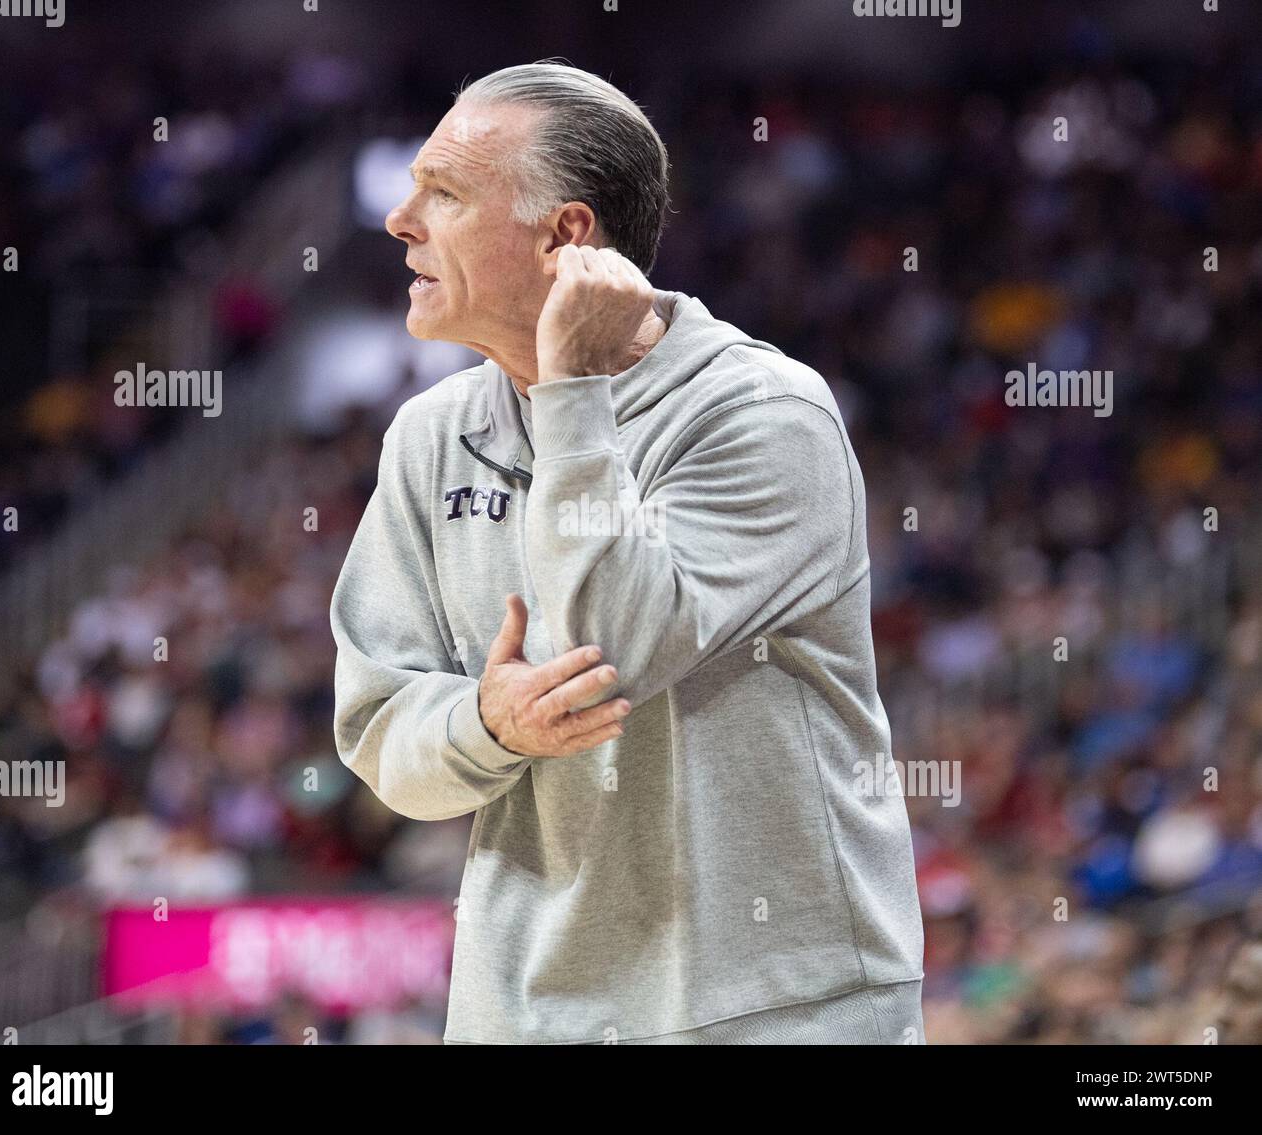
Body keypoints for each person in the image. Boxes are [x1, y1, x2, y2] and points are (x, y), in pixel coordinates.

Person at [330, 60, 926, 1044]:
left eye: (443, 192)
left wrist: (571, 389)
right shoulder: (428, 436)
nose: (401, 219)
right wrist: (488, 725)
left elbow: (611, 650)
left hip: (776, 1012)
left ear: (567, 235)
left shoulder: (764, 414)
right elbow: (382, 735)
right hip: (524, 1014)